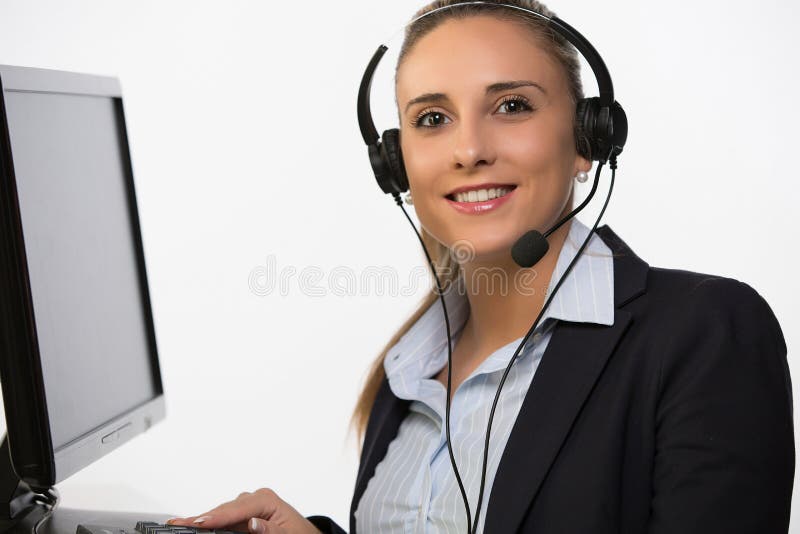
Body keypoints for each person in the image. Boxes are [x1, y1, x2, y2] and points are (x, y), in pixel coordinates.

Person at [166, 1, 795, 533]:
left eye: (513, 106)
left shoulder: (704, 334)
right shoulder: (407, 372)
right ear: (396, 165)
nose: (469, 150)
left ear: (587, 140)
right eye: (432, 119)